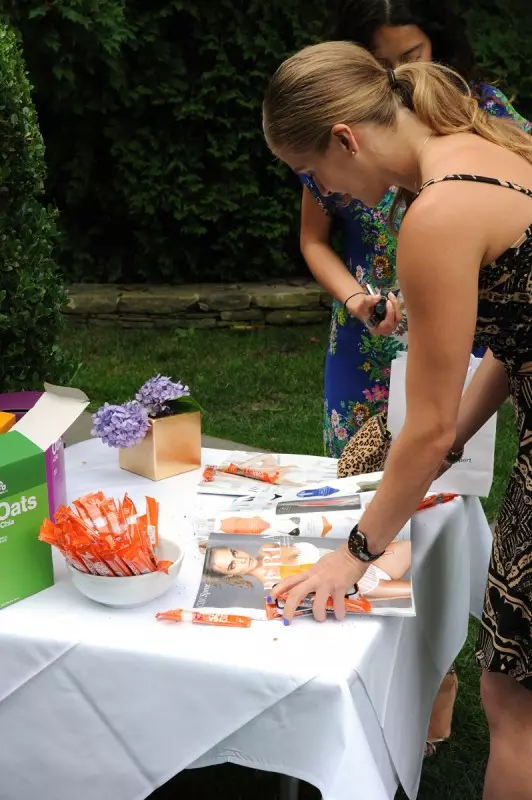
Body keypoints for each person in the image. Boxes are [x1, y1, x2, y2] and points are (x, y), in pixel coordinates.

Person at [263, 41, 532, 797]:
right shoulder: (490, 145)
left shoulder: (438, 212)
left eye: (313, 173)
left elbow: (429, 423)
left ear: (345, 138)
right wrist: (446, 453)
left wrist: (355, 550)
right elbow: (518, 344)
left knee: (514, 709)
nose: (322, 189)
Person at [301, 0, 531, 457]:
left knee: (443, 472)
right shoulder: (329, 143)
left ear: (436, 42)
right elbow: (313, 239)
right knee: (360, 479)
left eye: (410, 56)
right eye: (380, 63)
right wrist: (356, 300)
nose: (396, 74)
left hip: (462, 332)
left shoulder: (475, 112)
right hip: (368, 341)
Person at [204, 539, 412, 599]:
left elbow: (303, 551)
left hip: (362, 560)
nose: (240, 559)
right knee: (421, 592)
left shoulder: (267, 549)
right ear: (231, 574)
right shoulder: (274, 587)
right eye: (232, 564)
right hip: (363, 584)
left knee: (424, 542)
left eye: (233, 552)